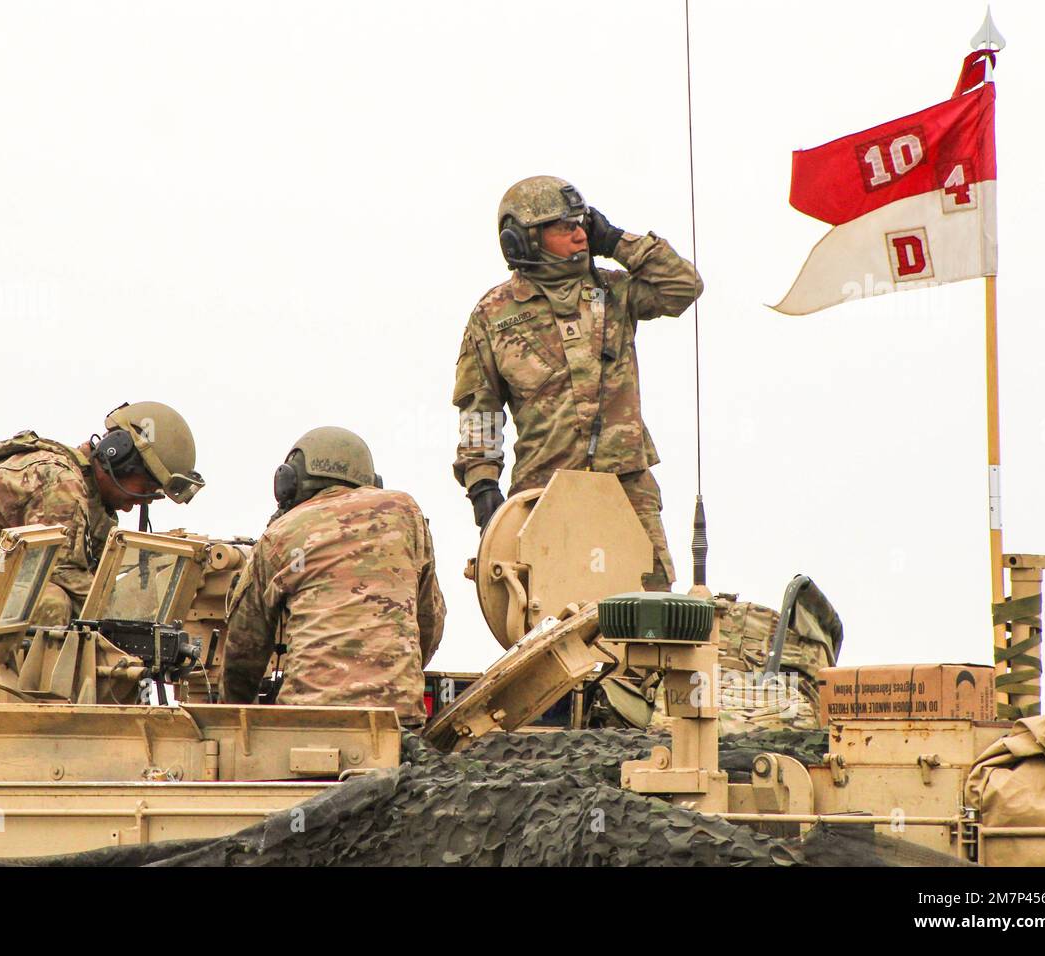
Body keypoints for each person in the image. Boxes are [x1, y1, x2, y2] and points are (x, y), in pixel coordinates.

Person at [453, 175, 703, 589]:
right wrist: (484, 492)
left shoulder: (612, 290)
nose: (579, 234)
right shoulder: (492, 315)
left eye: (582, 223)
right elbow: (479, 410)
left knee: (652, 614)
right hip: (543, 493)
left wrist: (618, 241)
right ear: (524, 240)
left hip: (626, 485)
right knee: (548, 614)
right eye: (563, 226)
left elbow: (684, 286)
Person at [0, 401, 203, 628]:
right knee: (49, 603)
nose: (134, 505)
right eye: (140, 490)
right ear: (117, 456)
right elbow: (69, 580)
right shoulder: (61, 483)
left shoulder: (91, 504)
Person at [221, 427, 445, 728]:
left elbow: (244, 650)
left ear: (288, 482)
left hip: (306, 720)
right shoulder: (405, 513)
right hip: (397, 719)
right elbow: (429, 621)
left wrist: (235, 719)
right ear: (371, 481)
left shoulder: (279, 535)